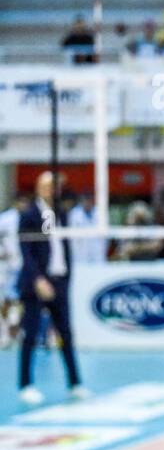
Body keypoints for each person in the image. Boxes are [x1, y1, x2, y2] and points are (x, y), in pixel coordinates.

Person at [17, 172, 89, 406]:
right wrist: (38, 279)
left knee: (66, 333)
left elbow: (63, 247)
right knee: (31, 334)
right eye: (47, 186)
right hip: (37, 283)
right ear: (39, 187)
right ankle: (26, 384)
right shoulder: (29, 215)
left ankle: (75, 382)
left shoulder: (62, 214)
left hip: (59, 280)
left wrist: (65, 278)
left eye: (55, 186)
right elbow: (26, 252)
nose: (52, 190)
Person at [0, 193, 28, 349]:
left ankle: (16, 331)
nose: (23, 204)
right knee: (6, 300)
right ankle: (5, 332)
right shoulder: (5, 219)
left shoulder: (29, 218)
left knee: (21, 300)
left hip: (24, 265)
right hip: (7, 266)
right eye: (21, 201)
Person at [66, 193, 106, 266]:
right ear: (82, 201)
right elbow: (71, 237)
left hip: (97, 251)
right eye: (85, 200)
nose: (87, 203)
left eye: (89, 200)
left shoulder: (99, 213)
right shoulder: (75, 214)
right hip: (80, 252)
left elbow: (105, 236)